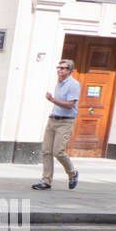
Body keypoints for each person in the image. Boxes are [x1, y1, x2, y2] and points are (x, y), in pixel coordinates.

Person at [33, 58, 79, 189]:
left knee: (58, 151)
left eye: (62, 68)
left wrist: (52, 100)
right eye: (58, 68)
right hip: (53, 119)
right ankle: (46, 181)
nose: (59, 70)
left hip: (65, 121)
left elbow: (70, 105)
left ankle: (73, 173)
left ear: (69, 70)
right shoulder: (59, 83)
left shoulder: (74, 85)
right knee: (46, 151)